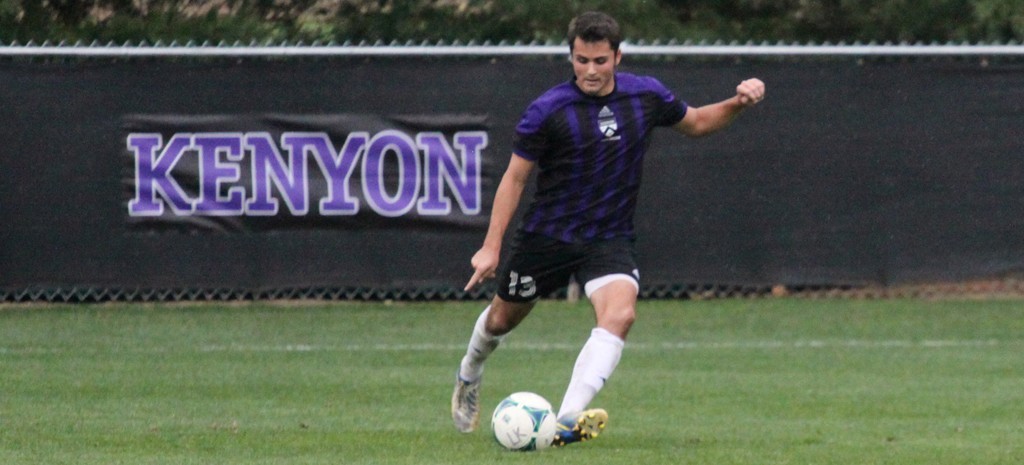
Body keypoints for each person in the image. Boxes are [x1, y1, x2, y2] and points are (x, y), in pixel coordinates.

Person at [451, 11, 765, 447]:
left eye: (600, 60)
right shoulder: (548, 110)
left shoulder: (646, 95)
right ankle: (469, 371)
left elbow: (696, 123)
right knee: (502, 320)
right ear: (571, 57)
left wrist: (737, 103)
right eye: (581, 60)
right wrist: (491, 247)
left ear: (618, 56)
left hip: (608, 238)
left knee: (621, 315)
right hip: (548, 237)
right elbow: (515, 178)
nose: (590, 71)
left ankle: (565, 421)